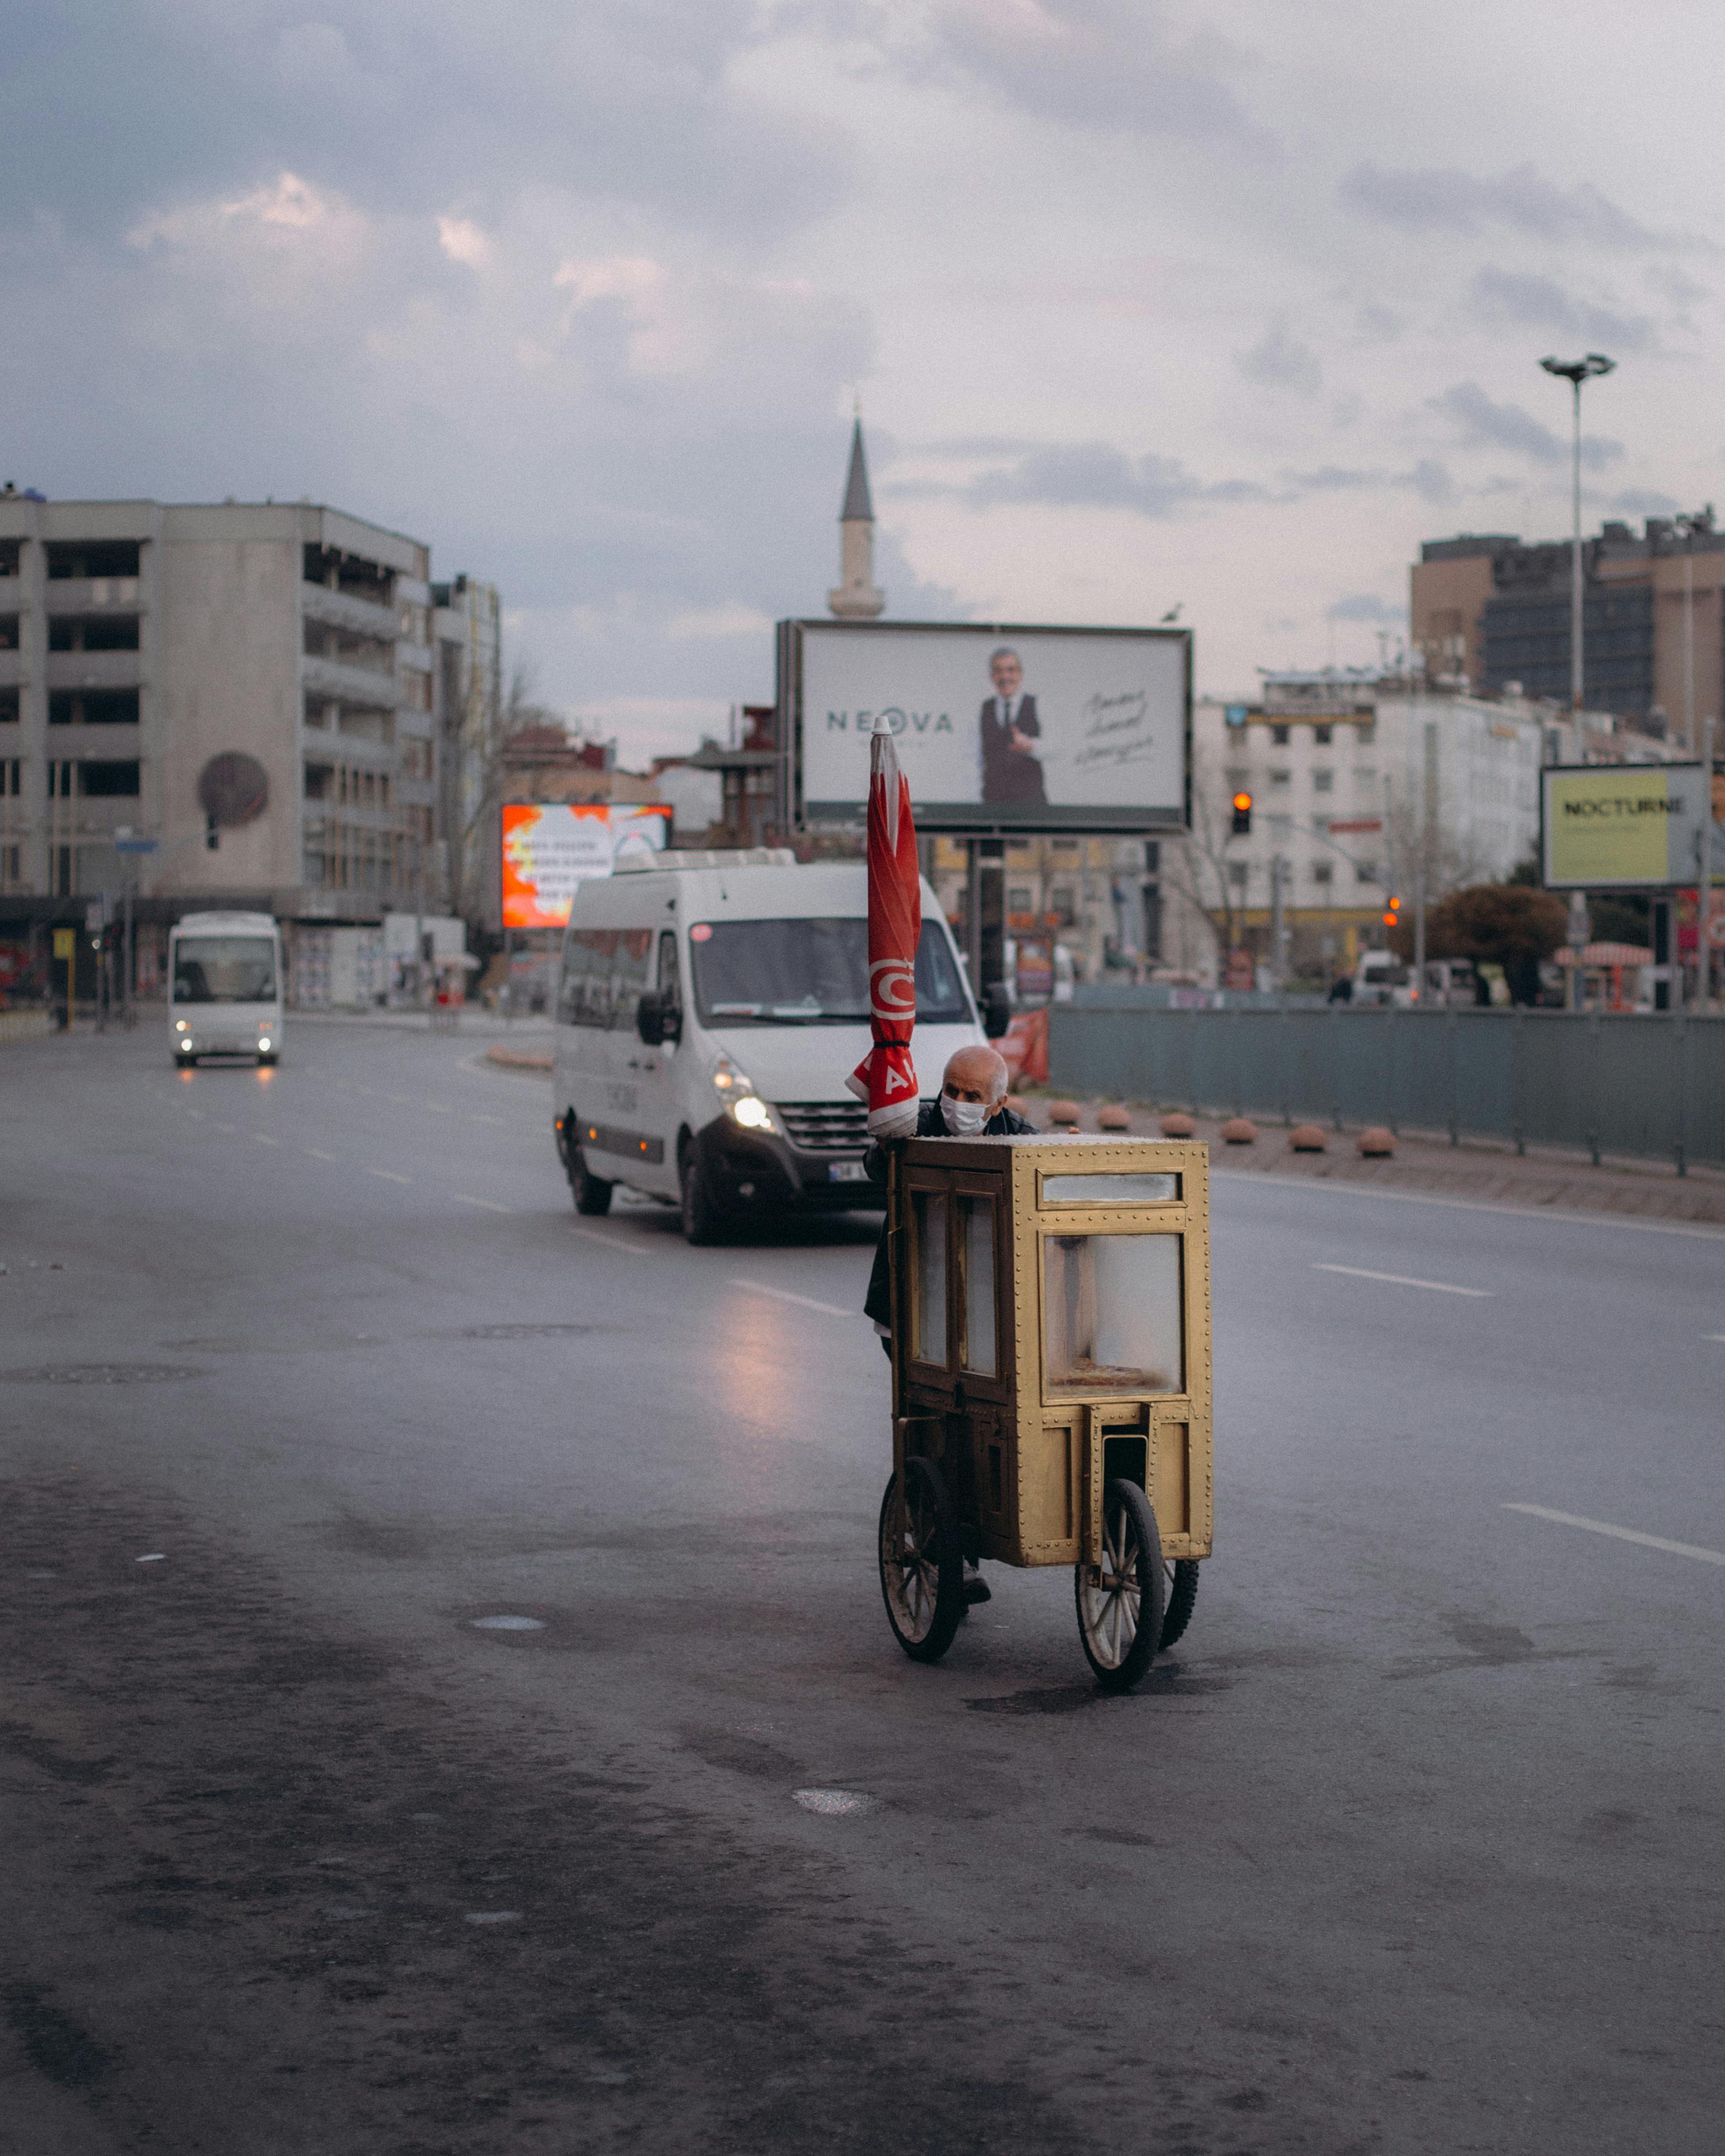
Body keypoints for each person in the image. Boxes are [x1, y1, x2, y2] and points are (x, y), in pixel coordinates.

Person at [863, 1045, 1033, 1610]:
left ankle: (971, 1535)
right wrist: (889, 1144)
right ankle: (945, 1552)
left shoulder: (1019, 1136)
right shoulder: (916, 1126)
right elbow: (872, 1165)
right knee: (929, 1431)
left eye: (971, 1096)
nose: (956, 1104)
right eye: (950, 1090)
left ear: (998, 1103)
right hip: (912, 1312)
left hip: (983, 1318)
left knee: (982, 1428)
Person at [979, 647, 1048, 807]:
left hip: (1032, 804)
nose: (1005, 677)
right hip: (993, 804)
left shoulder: (1037, 704)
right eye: (999, 671)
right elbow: (974, 758)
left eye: (1011, 670)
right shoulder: (983, 709)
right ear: (992, 676)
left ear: (1020, 673)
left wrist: (1031, 746)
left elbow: (1058, 746)